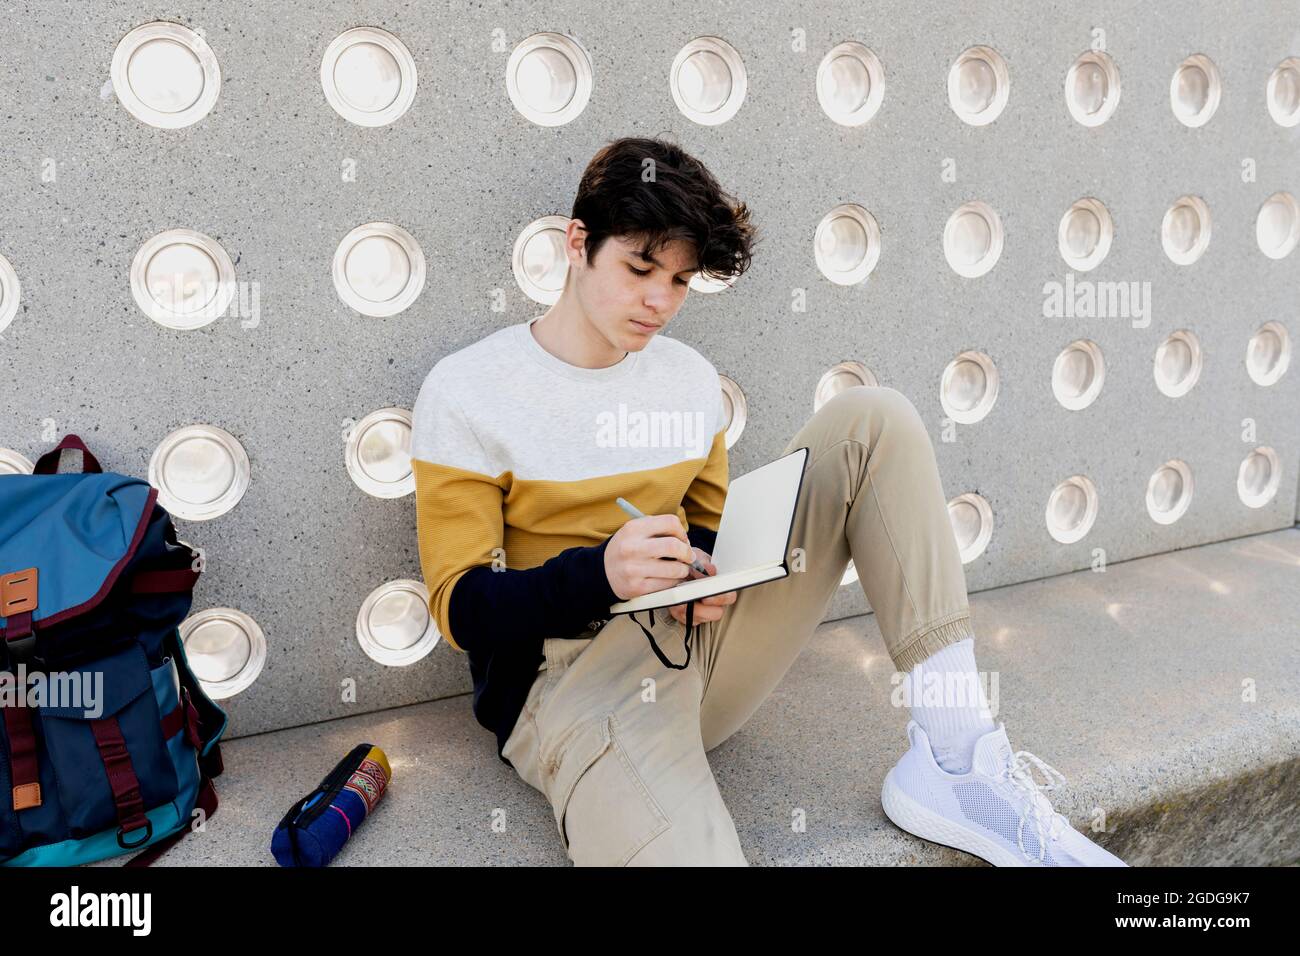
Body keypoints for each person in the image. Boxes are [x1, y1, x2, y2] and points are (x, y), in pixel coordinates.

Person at [411, 135, 1127, 867]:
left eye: (682, 281)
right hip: (576, 686)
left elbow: (709, 534)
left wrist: (701, 574)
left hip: (705, 648)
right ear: (577, 242)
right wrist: (601, 575)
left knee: (872, 420)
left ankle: (957, 762)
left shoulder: (688, 379)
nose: (660, 300)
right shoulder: (470, 391)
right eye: (639, 268)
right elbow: (462, 609)